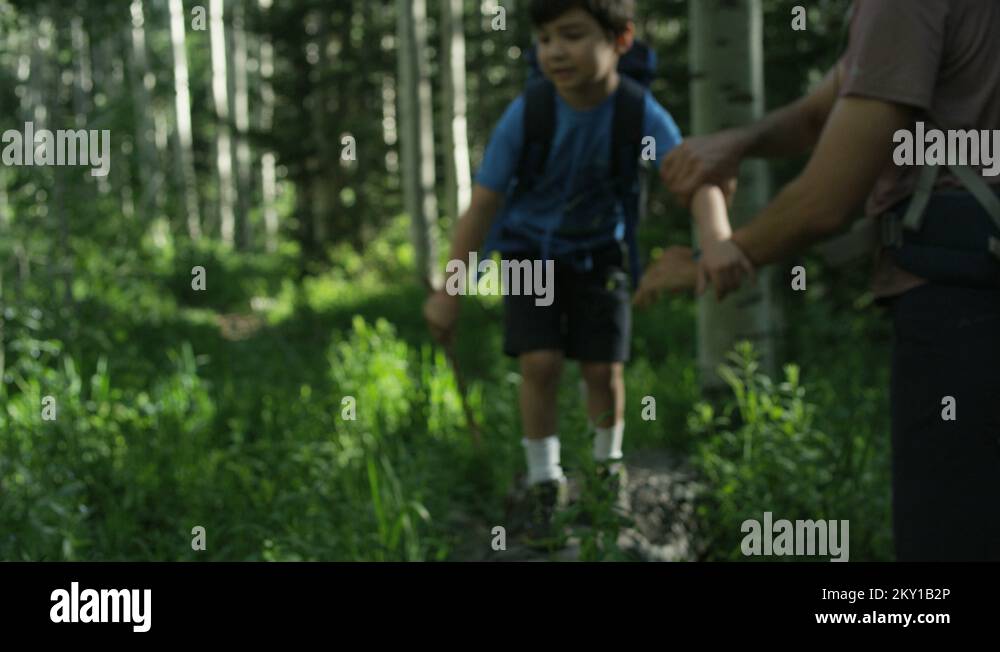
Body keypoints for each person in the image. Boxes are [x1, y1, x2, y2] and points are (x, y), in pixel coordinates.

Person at [656, 0, 1000, 561]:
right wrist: (739, 141)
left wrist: (726, 254)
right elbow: (830, 107)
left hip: (963, 310)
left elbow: (825, 201)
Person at [422, 0, 750, 549]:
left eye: (571, 35)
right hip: (529, 253)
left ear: (620, 39)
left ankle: (606, 474)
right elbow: (482, 207)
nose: (554, 50)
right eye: (545, 38)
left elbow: (698, 181)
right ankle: (545, 481)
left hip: (602, 256)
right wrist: (451, 290)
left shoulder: (638, 113)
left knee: (603, 370)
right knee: (540, 361)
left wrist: (716, 240)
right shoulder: (529, 113)